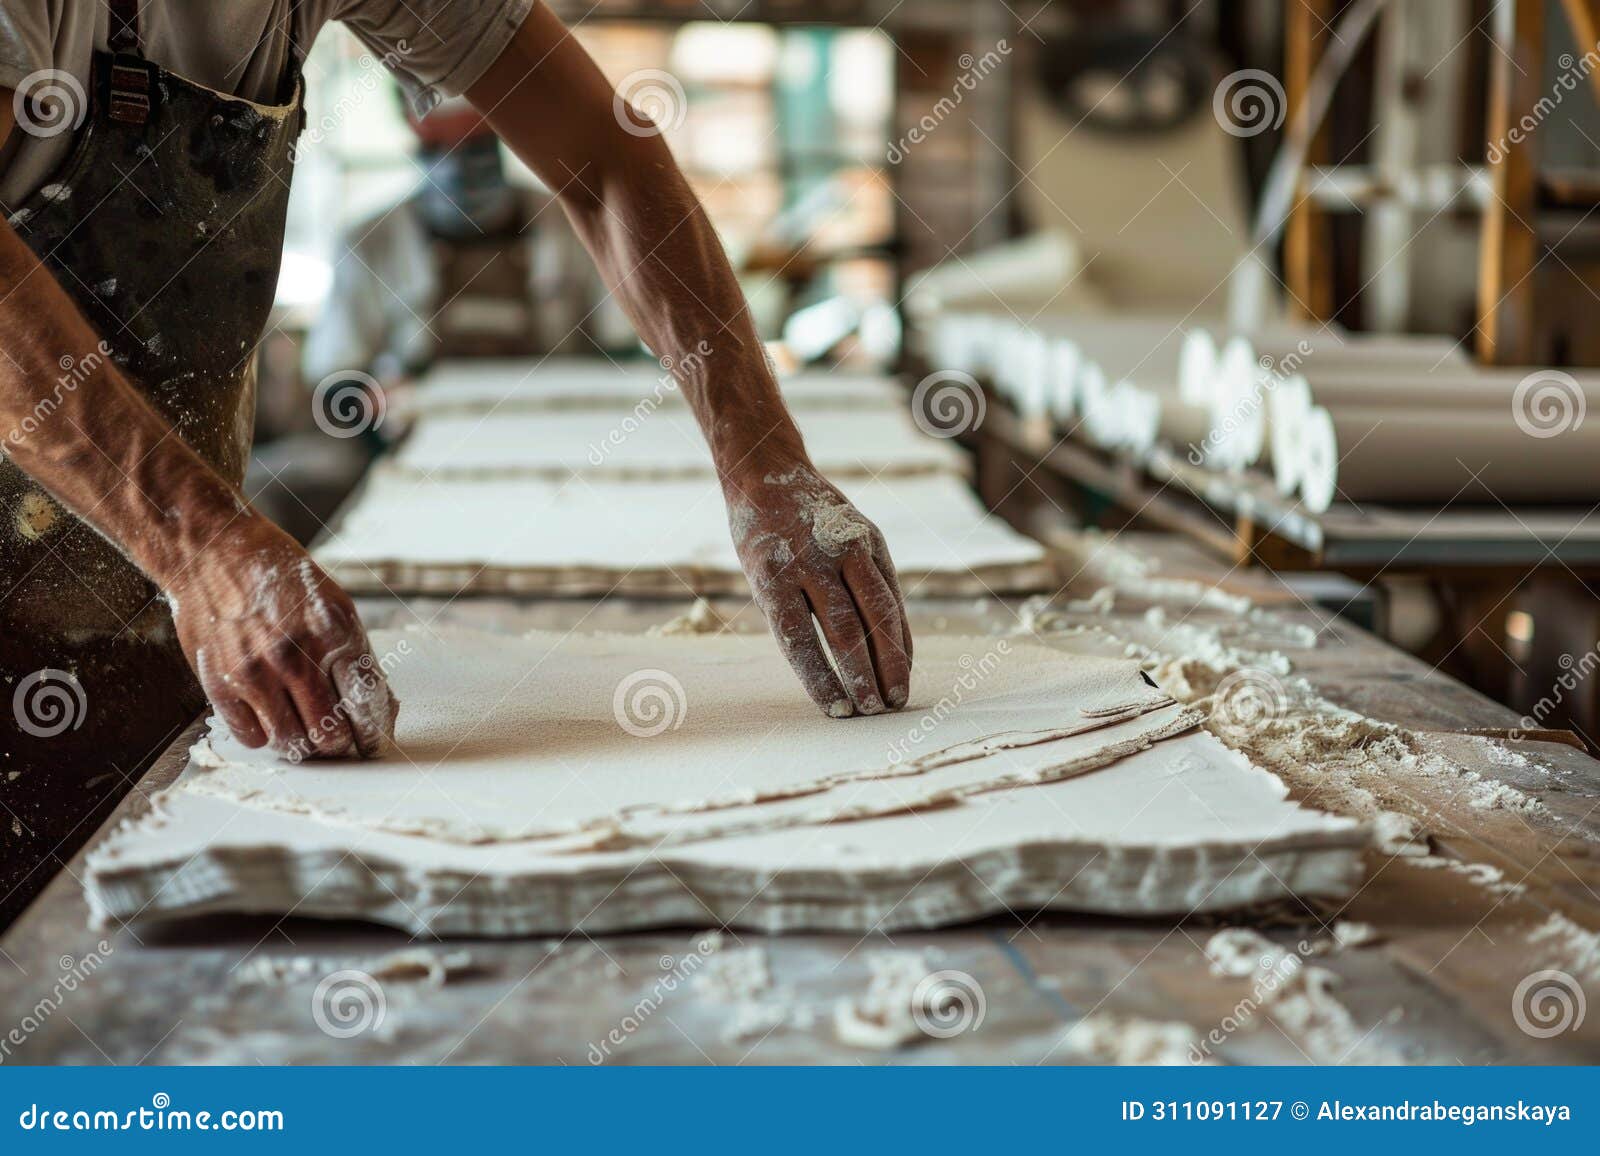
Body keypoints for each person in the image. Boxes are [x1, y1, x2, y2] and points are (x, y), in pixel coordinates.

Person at [0, 1, 912, 928]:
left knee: (133, 878)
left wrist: (764, 461)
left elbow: (606, 155)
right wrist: (199, 547)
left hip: (150, 602)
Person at [300, 94, 622, 392]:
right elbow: (334, 375)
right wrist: (374, 399)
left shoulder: (576, 224)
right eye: (437, 146)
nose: (456, 167)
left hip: (561, 425)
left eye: (474, 145)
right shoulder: (369, 241)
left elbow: (624, 349)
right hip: (422, 438)